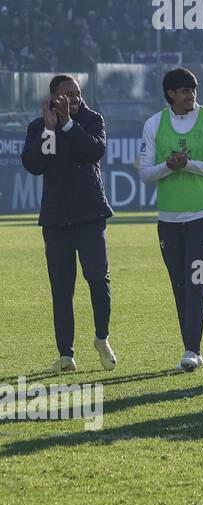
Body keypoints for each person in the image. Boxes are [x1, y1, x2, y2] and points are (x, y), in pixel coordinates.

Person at [136, 68, 203, 372]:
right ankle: (192, 348)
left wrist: (188, 164)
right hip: (169, 217)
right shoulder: (154, 124)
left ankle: (191, 349)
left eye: (194, 89)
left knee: (196, 280)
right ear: (170, 95)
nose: (191, 95)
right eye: (185, 91)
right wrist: (168, 166)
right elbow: (145, 173)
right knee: (180, 284)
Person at [20, 75, 116, 373]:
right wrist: (50, 129)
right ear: (52, 97)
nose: (72, 98)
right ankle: (66, 355)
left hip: (90, 215)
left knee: (98, 279)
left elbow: (93, 151)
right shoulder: (39, 126)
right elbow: (35, 165)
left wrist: (67, 124)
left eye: (75, 93)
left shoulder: (91, 120)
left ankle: (102, 338)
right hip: (56, 219)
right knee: (62, 289)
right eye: (65, 94)